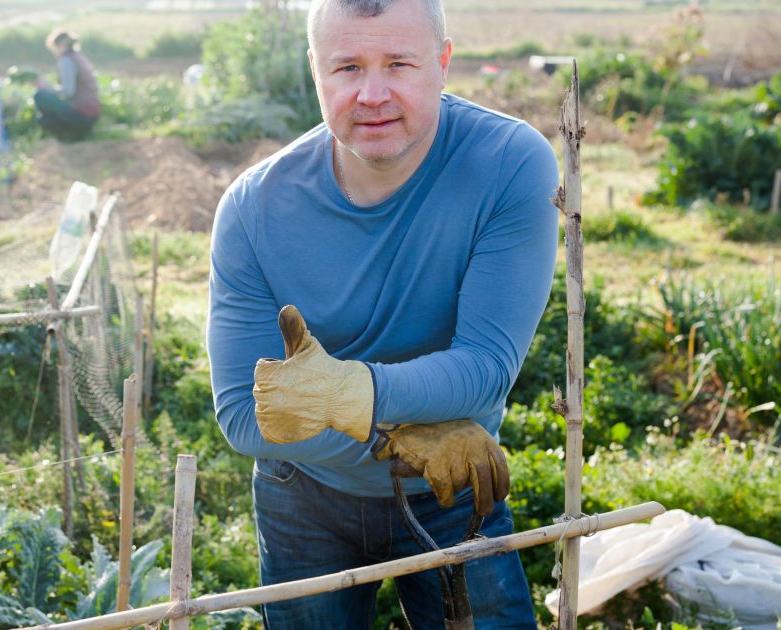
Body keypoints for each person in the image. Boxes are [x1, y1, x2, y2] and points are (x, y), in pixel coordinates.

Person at [205, 0, 559, 628]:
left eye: (399, 63)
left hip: (448, 488)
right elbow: (241, 415)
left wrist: (342, 397)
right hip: (303, 499)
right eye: (347, 67)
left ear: (442, 63)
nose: (373, 94)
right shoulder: (253, 208)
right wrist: (402, 426)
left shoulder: (508, 163)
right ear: (314, 70)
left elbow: (486, 367)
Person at [34, 29, 101, 141]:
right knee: (46, 102)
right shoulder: (78, 56)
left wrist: (46, 88)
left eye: (54, 48)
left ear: (60, 46)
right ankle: (71, 133)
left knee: (40, 96)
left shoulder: (66, 61)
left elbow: (68, 92)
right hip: (91, 113)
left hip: (81, 114)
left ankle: (64, 135)